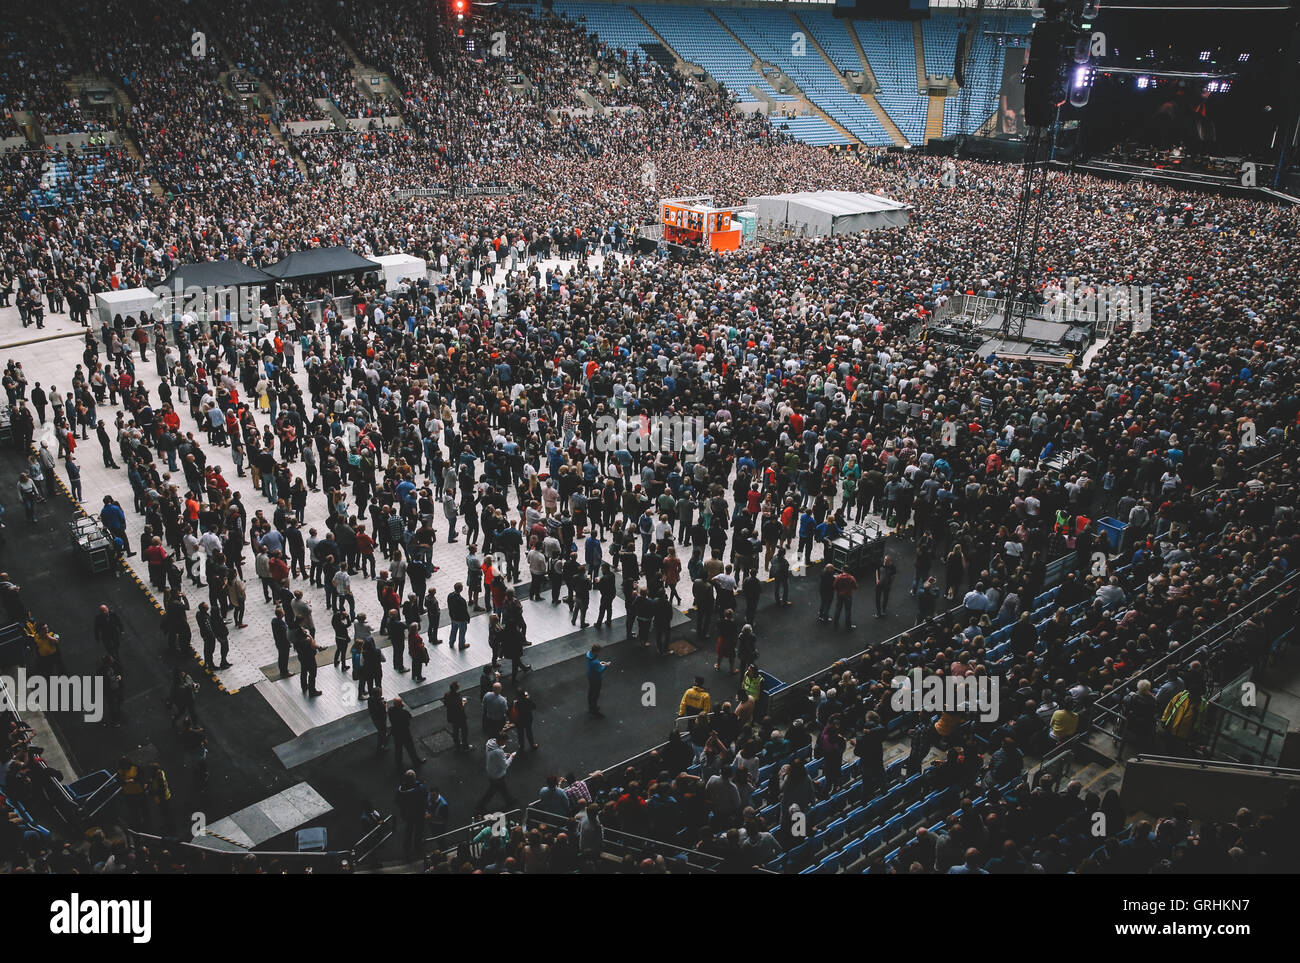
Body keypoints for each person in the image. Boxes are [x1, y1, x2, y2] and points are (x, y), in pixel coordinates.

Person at [475, 727, 517, 815]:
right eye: (505, 741)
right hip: (497, 775)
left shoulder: (489, 743)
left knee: (501, 788)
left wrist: (504, 754)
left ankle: (509, 800)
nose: (505, 743)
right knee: (493, 791)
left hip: (491, 770)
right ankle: (480, 805)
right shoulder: (498, 752)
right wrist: (511, 757)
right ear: (501, 741)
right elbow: (505, 765)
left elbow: (495, 756)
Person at [395, 770, 430, 859]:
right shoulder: (420, 789)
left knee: (409, 831)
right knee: (418, 831)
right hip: (419, 814)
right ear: (414, 778)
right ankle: (417, 847)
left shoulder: (401, 789)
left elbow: (398, 801)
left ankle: (406, 849)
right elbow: (425, 799)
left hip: (408, 814)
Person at [388, 696, 424, 771]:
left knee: (398, 749)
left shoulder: (390, 710)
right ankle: (416, 761)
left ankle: (399, 764)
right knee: (410, 748)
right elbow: (409, 719)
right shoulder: (404, 713)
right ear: (400, 704)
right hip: (405, 733)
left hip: (396, 732)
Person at [586, 643, 610, 718]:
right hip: (596, 678)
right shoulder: (594, 662)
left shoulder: (589, 654)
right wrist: (605, 666)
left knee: (591, 691)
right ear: (596, 651)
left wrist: (600, 663)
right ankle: (594, 710)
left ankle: (591, 707)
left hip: (590, 675)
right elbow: (600, 670)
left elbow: (596, 665)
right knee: (595, 694)